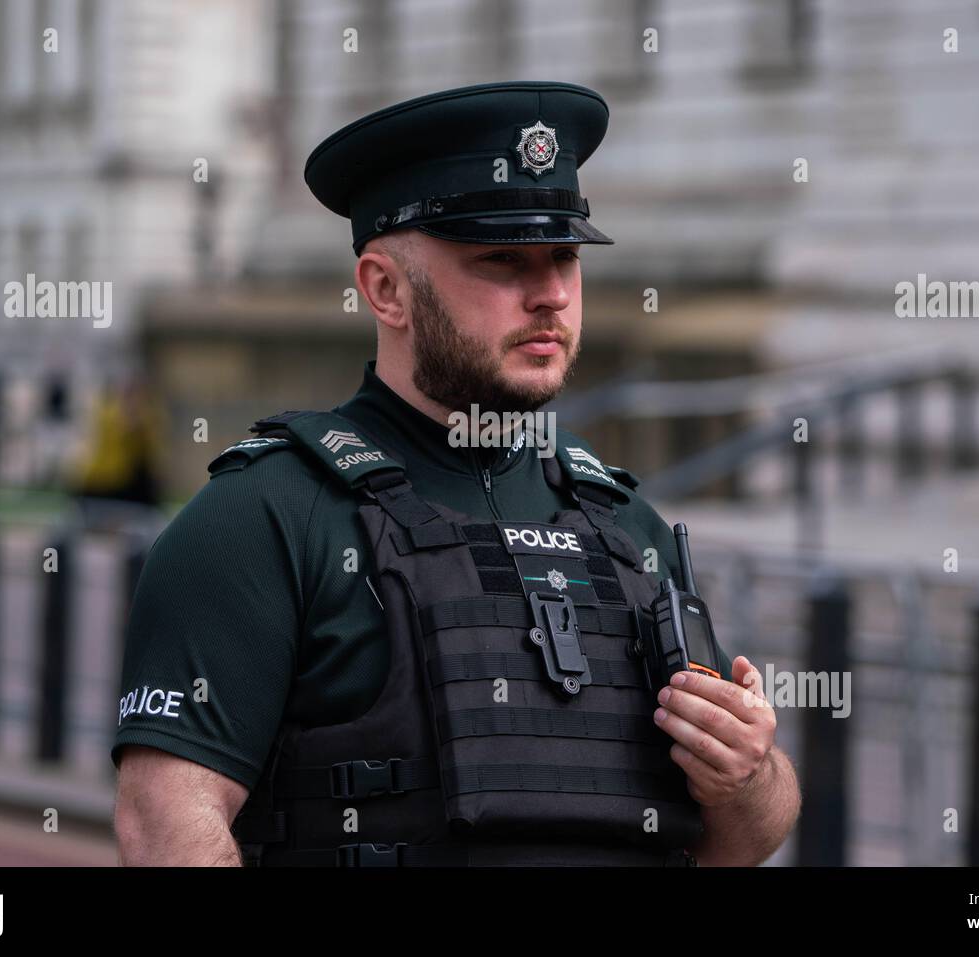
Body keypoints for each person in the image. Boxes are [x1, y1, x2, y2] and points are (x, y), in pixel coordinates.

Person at [112, 81, 800, 867]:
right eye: (502, 259)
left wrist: (745, 772)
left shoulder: (624, 525)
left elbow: (739, 839)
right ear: (385, 288)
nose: (549, 295)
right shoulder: (265, 516)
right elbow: (166, 826)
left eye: (564, 258)